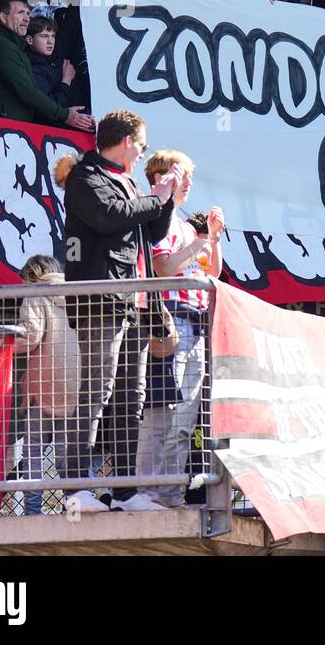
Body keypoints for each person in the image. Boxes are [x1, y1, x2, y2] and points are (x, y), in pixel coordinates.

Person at [57, 109, 184, 514]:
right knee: (97, 390)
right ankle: (74, 489)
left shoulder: (128, 182)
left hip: (138, 304)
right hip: (103, 301)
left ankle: (125, 492)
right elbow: (110, 218)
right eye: (142, 144)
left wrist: (164, 203)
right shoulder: (85, 176)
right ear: (127, 140)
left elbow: (153, 233)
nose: (144, 152)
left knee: (132, 398)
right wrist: (156, 198)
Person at [137, 149, 224, 509]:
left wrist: (212, 240)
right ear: (162, 177)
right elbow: (163, 268)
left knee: (185, 417)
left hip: (196, 322)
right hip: (171, 320)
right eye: (183, 174)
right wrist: (199, 245)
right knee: (162, 412)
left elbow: (212, 273)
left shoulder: (185, 224)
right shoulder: (159, 218)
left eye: (189, 175)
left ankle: (171, 495)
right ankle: (145, 492)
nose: (189, 182)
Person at [14, 254, 79, 516]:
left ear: (32, 274)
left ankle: (32, 511)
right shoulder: (78, 292)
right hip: (76, 383)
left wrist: (0, 342)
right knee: (68, 453)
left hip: (43, 384)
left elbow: (30, 336)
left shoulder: (35, 293)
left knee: (33, 448)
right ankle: (76, 511)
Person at [0, 0, 94, 130]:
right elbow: (28, 92)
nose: (27, 18)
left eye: (28, 13)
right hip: (0, 129)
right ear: (3, 18)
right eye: (20, 13)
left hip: (13, 129)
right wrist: (66, 115)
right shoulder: (3, 48)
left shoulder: (16, 48)